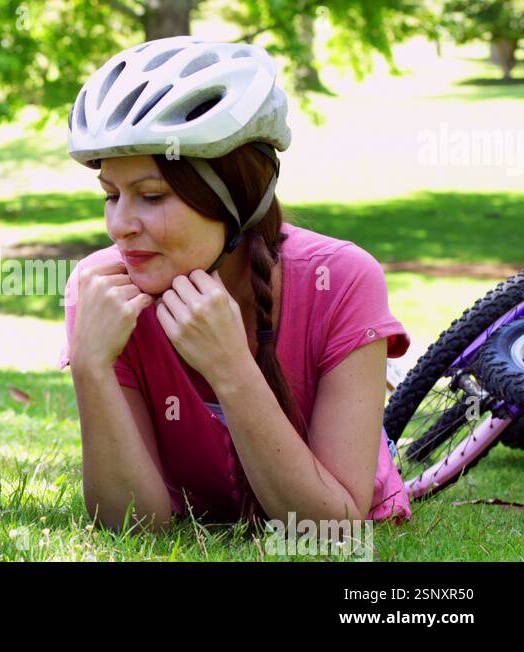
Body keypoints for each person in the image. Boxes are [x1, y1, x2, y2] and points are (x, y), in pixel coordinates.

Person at [58, 36, 413, 533]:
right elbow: (138, 527)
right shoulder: (101, 291)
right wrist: (91, 367)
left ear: (239, 197)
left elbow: (332, 532)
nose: (120, 225)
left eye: (152, 195)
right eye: (111, 195)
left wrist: (229, 368)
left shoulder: (344, 280)